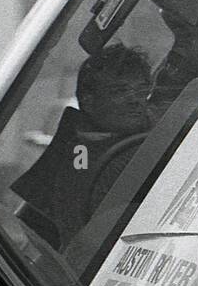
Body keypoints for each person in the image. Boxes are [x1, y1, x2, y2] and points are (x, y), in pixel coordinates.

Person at [11, 43, 152, 248]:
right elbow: (78, 188)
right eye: (120, 91)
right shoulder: (81, 152)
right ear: (88, 100)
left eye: (141, 90)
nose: (136, 100)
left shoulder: (161, 125)